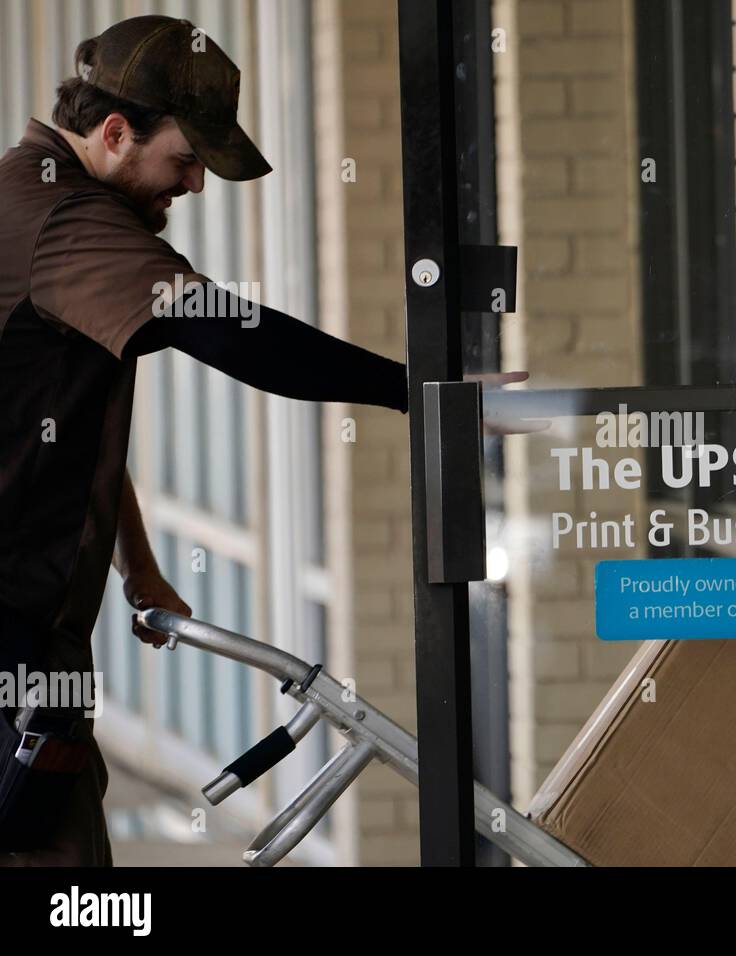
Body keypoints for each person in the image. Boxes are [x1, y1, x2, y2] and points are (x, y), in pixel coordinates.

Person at [0, 14, 525, 865]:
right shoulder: (62, 217)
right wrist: (415, 393)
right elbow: (230, 330)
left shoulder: (32, 196)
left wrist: (138, 563)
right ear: (114, 133)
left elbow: (55, 429)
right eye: (185, 159)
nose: (195, 185)